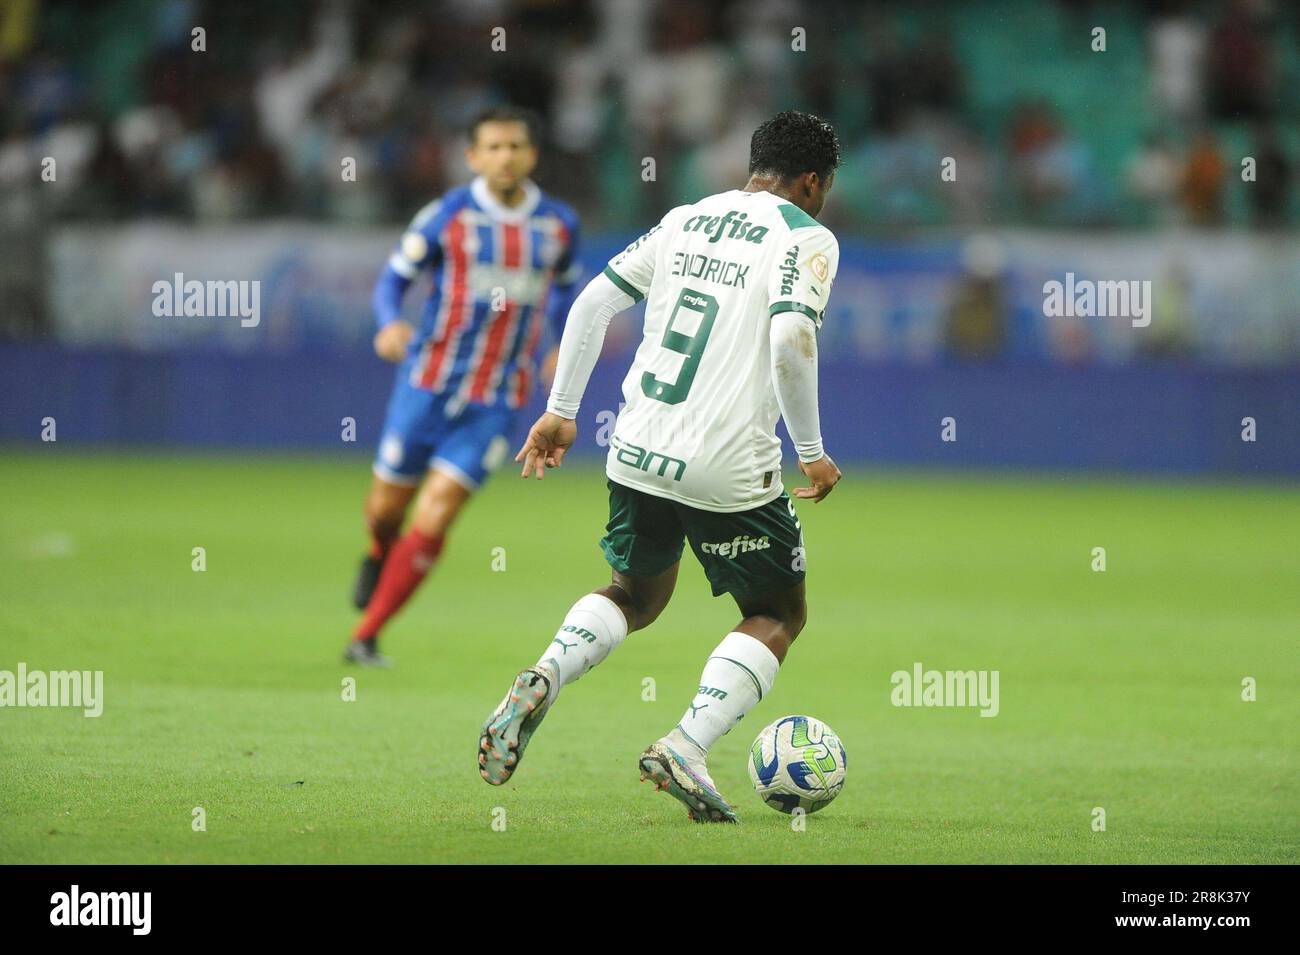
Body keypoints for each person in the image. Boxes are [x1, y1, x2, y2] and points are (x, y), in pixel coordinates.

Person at [478, 110, 843, 822]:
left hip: (637, 448)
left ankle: (547, 670)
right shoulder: (808, 236)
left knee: (635, 595)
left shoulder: (686, 218)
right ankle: (686, 743)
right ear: (810, 181)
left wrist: (560, 409)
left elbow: (592, 300)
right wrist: (811, 451)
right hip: (727, 463)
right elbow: (792, 334)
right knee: (775, 611)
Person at [346, 107, 580, 666]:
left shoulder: (558, 224)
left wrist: (557, 346)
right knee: (386, 511)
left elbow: (569, 293)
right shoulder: (447, 215)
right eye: (494, 147)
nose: (506, 156)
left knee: (439, 509)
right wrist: (389, 323)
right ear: (473, 157)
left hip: (497, 399)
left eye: (516, 146)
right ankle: (379, 551)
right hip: (425, 384)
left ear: (532, 155)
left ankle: (367, 635)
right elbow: (393, 279)